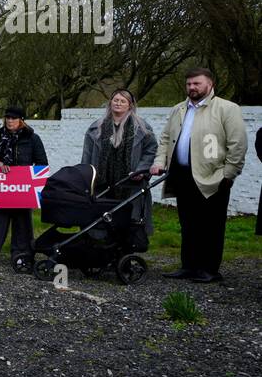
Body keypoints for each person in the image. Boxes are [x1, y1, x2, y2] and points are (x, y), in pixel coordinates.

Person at [151, 67, 247, 282]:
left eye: (197, 83)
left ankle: (209, 269)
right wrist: (159, 162)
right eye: (189, 84)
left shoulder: (227, 109)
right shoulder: (179, 109)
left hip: (213, 177)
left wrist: (228, 175)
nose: (192, 87)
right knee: (188, 224)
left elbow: (237, 143)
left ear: (210, 84)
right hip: (183, 176)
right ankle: (189, 266)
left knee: (211, 225)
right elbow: (166, 139)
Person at [80, 89, 157, 249]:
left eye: (123, 101)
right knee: (103, 217)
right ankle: (104, 250)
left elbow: (151, 151)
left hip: (130, 182)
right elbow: (87, 155)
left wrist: (141, 170)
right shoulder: (96, 128)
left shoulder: (142, 128)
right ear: (110, 102)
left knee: (128, 218)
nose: (118, 103)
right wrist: (86, 176)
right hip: (102, 182)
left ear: (130, 105)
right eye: (116, 100)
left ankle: (125, 251)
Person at [0, 105, 48, 268]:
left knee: (23, 222)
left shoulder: (32, 138)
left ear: (21, 120)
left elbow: (42, 163)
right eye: (7, 117)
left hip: (23, 187)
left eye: (13, 118)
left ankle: (22, 255)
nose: (9, 121)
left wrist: (26, 175)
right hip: (3, 187)